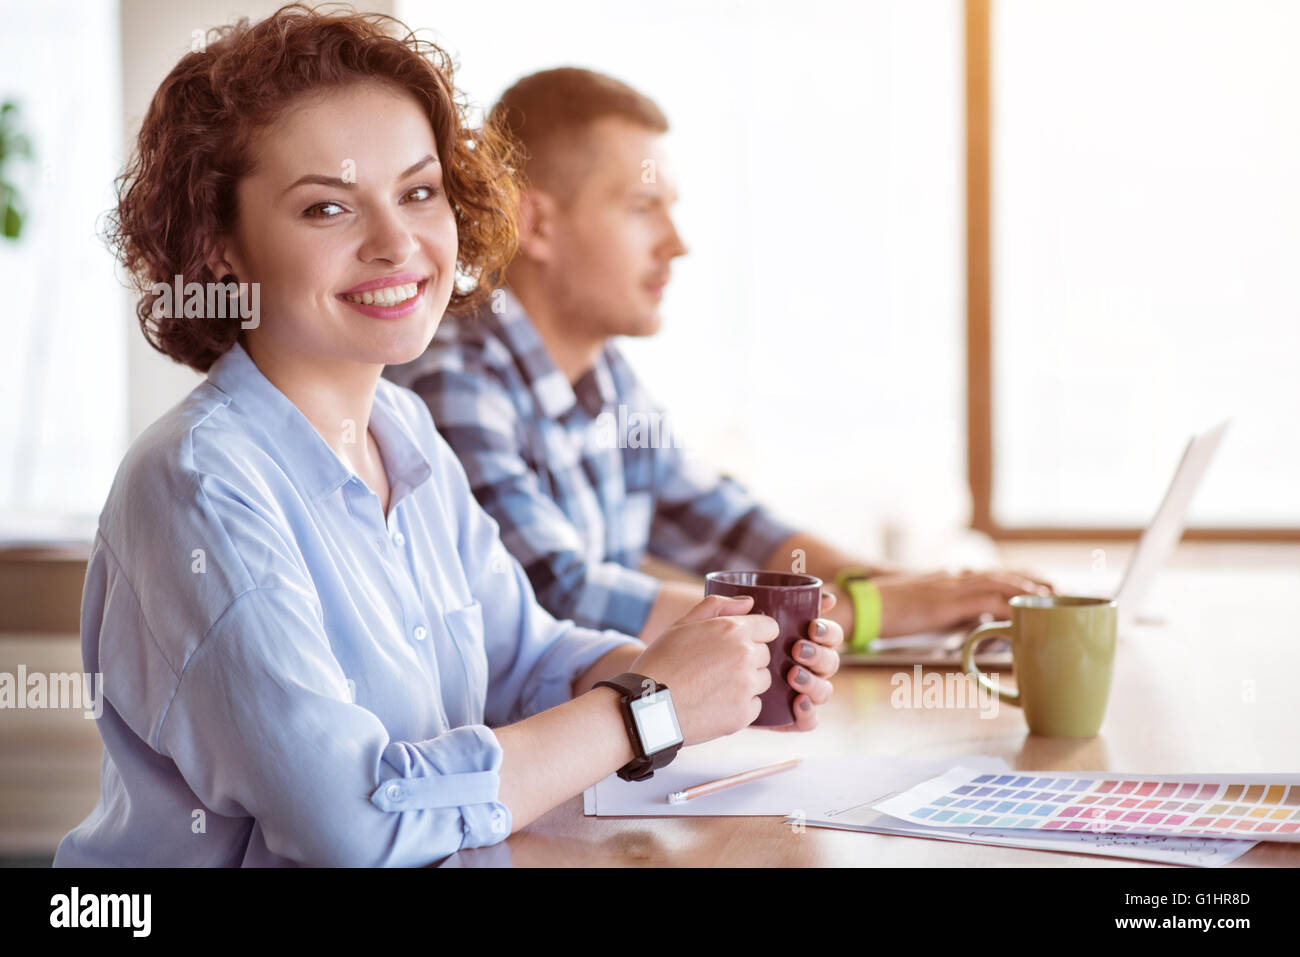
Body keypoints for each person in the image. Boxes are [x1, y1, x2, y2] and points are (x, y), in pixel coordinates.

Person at [53, 5, 842, 868]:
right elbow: (355, 819)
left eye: (419, 192)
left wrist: (716, 670)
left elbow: (527, 659)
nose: (398, 244)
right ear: (220, 247)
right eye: (326, 208)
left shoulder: (401, 426)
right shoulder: (197, 483)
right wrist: (650, 704)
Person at [386, 67, 1053, 656]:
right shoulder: (454, 378)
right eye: (644, 207)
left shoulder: (606, 381)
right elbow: (553, 595)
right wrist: (873, 612)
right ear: (536, 226)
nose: (677, 244)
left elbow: (735, 527)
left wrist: (920, 590)